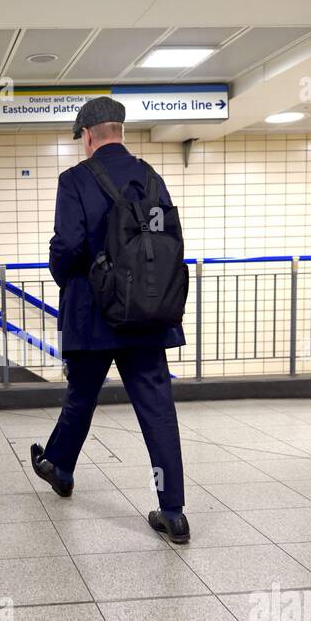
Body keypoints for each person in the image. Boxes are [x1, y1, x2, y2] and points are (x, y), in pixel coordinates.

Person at [29, 97, 189, 544]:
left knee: (81, 398)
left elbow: (68, 245)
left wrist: (67, 280)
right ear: (119, 130)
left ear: (87, 136)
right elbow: (168, 239)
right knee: (158, 411)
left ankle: (60, 468)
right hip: (146, 316)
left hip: (93, 315)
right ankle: (173, 511)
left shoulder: (75, 180)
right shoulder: (152, 177)